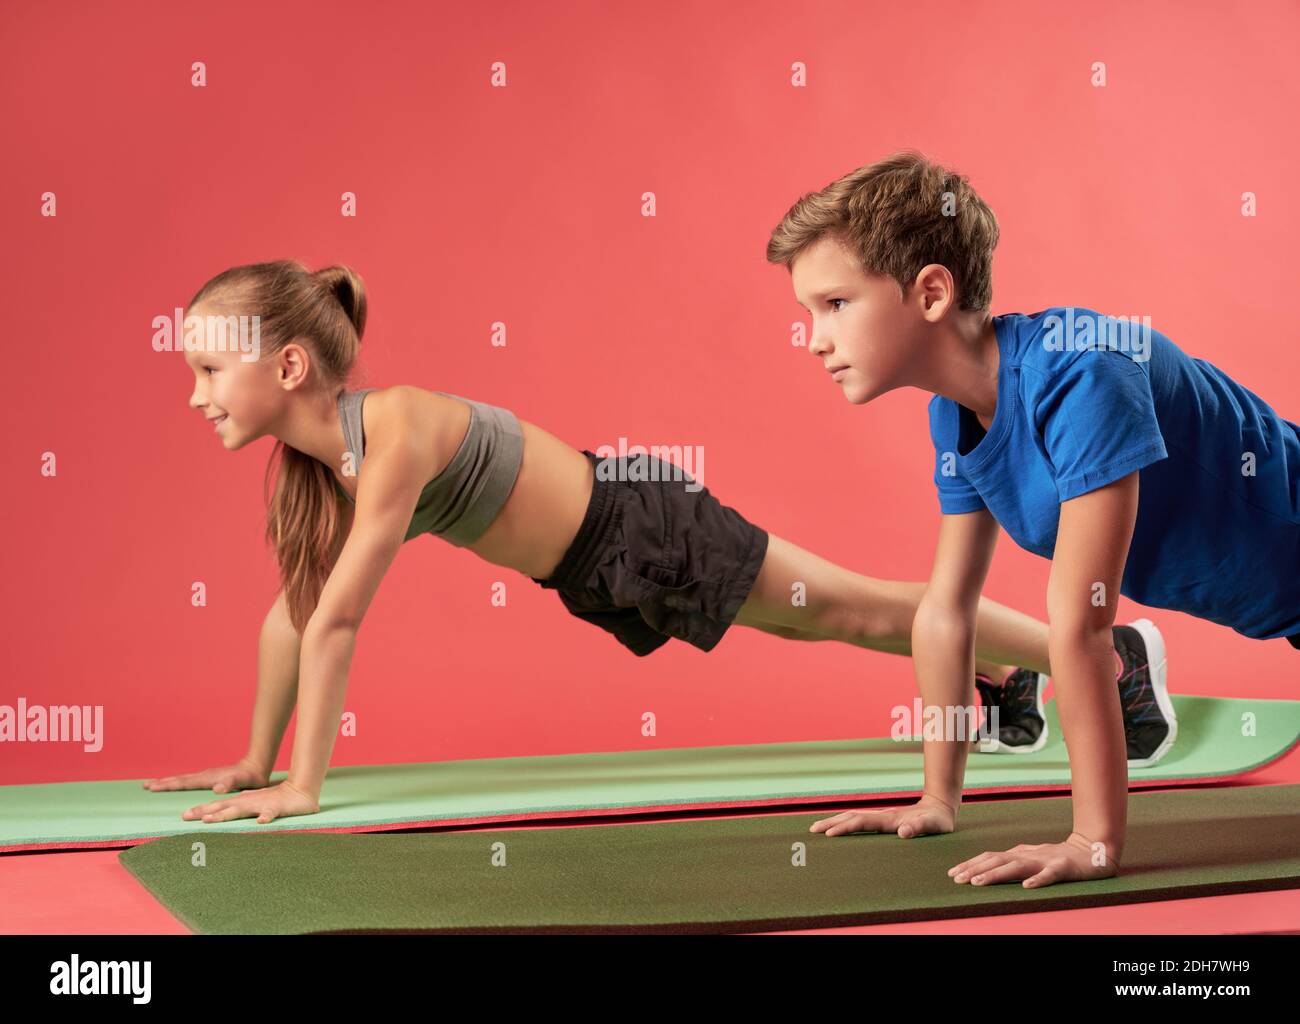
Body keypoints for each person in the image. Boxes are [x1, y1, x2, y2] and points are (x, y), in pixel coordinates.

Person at [144, 259, 1138, 825]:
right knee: (835, 615)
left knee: (840, 608)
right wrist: (253, 758)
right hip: (594, 564)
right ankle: (1014, 673)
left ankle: (1096, 657)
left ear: (285, 364)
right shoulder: (321, 469)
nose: (194, 396)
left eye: (206, 371)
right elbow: (294, 616)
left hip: (637, 522)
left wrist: (305, 784)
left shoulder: (393, 424)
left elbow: (340, 617)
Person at [766, 151, 1299, 889]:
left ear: (929, 292)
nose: (815, 338)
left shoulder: (1083, 373)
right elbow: (947, 611)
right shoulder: (954, 419)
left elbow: (1082, 621)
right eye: (808, 314)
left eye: (835, 304)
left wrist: (1093, 842)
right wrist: (937, 797)